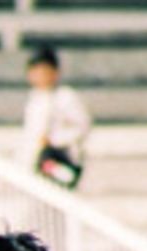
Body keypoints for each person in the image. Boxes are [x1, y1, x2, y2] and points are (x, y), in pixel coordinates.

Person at [19, 45, 92, 189]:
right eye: (36, 72)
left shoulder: (65, 97)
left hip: (60, 159)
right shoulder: (34, 100)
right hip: (37, 164)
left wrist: (53, 140)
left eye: (45, 71)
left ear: (55, 73)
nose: (40, 76)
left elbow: (82, 127)